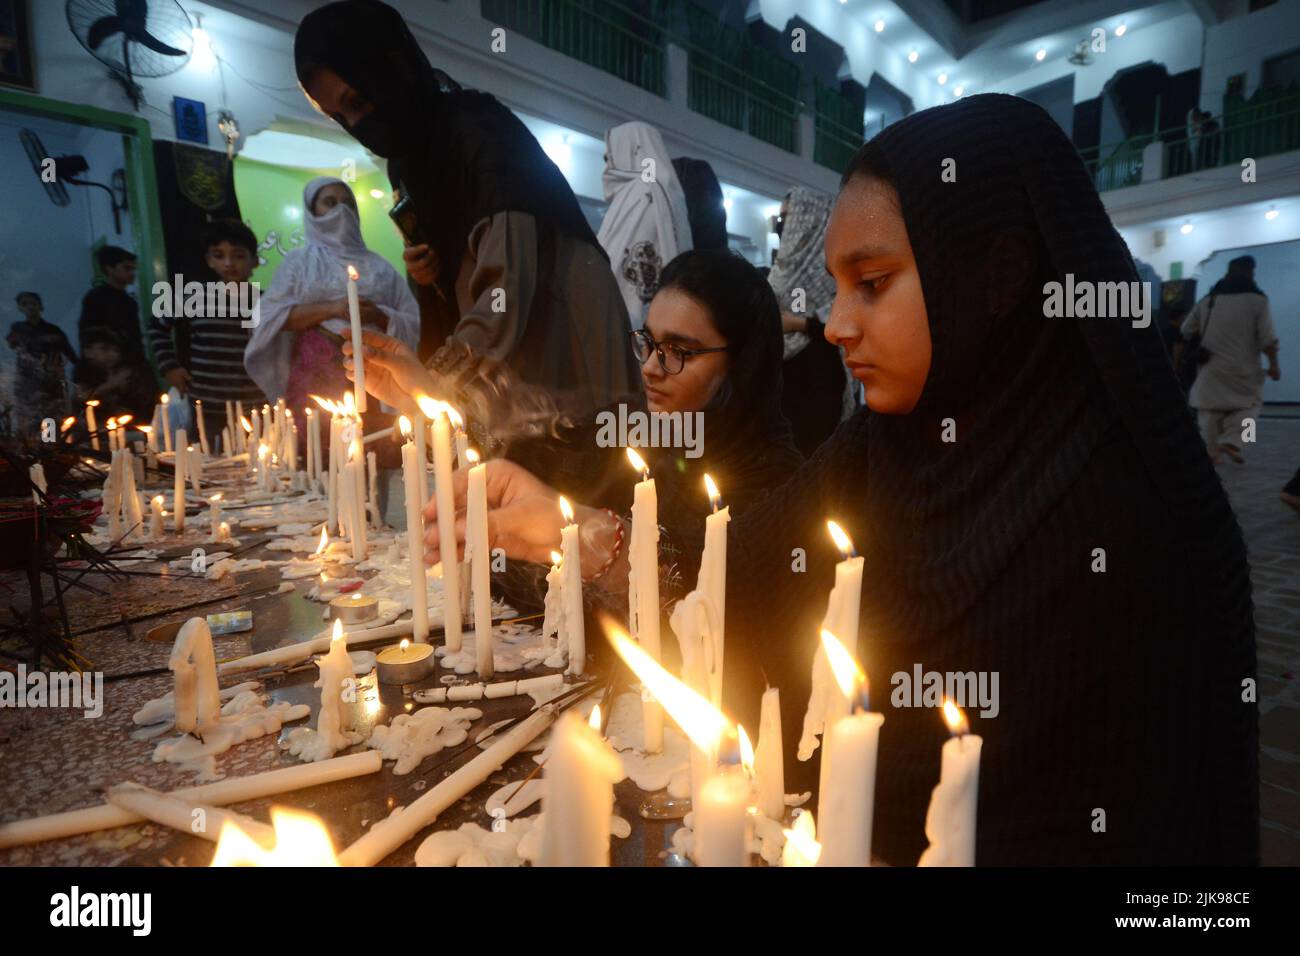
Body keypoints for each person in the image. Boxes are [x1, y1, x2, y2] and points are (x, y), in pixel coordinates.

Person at [420, 95, 1258, 866]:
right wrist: (581, 533)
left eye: (874, 282)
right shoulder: (877, 452)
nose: (837, 323)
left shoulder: (1122, 516)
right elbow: (727, 594)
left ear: (999, 278)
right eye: (837, 285)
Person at [293, 0, 640, 419]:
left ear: (389, 72)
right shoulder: (407, 163)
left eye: (358, 102)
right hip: (496, 350)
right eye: (341, 117)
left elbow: (505, 290)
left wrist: (428, 383)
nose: (358, 126)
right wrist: (429, 275)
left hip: (560, 333)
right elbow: (457, 275)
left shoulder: (479, 132)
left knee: (579, 469)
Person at [244, 176, 420, 420]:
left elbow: (411, 317)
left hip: (376, 367)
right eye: (330, 202)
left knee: (376, 446)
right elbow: (269, 316)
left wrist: (379, 315)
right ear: (312, 210)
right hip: (316, 369)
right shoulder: (299, 262)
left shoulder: (380, 266)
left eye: (348, 202)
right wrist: (332, 308)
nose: (341, 209)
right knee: (323, 445)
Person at [149, 219, 268, 447]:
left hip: (256, 407)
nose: (228, 262)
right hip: (208, 407)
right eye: (218, 255)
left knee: (258, 469)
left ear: (254, 261)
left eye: (238, 255)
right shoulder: (195, 297)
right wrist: (169, 366)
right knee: (211, 470)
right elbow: (156, 325)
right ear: (208, 260)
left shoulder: (267, 302)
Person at [768, 187, 853, 457]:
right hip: (779, 379)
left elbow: (844, 320)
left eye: (787, 221)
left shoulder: (833, 269)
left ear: (809, 224)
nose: (781, 230)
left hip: (818, 375)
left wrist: (800, 324)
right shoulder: (778, 272)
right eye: (778, 222)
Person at [1179, 255, 1280, 463]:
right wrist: (1274, 365)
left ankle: (1212, 452)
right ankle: (1236, 441)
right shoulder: (1258, 300)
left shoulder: (1208, 300)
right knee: (1250, 406)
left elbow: (1186, 330)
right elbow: (1267, 339)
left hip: (1211, 368)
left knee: (1209, 411)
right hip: (1245, 369)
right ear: (1251, 273)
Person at [598, 121, 694, 329]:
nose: (607, 168)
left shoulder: (640, 192)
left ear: (632, 150)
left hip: (626, 322)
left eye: (610, 158)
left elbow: (614, 261)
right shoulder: (667, 191)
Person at [78, 245, 150, 384]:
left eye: (133, 268)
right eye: (127, 268)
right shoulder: (95, 298)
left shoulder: (128, 301)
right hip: (108, 370)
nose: (132, 273)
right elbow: (89, 337)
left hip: (133, 366)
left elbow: (133, 336)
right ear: (109, 268)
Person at [6, 291, 76, 433]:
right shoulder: (18, 329)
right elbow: (12, 346)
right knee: (29, 421)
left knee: (50, 418)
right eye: (25, 304)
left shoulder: (53, 331)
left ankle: (49, 450)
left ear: (40, 306)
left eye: (33, 303)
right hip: (28, 384)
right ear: (20, 308)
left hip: (51, 384)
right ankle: (32, 451)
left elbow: (71, 355)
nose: (30, 307)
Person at [73, 328, 156, 422]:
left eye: (116, 350)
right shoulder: (83, 371)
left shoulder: (127, 369)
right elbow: (81, 399)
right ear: (88, 352)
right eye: (105, 349)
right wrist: (111, 384)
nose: (113, 354)